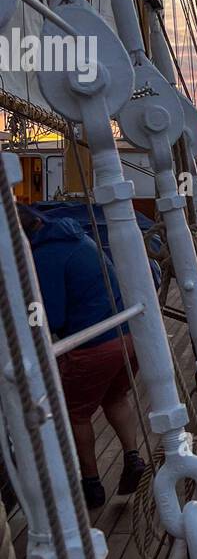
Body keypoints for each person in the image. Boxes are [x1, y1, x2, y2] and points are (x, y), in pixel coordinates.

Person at [16, 204, 146, 509]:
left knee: (75, 413)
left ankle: (91, 484)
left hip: (95, 345)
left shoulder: (46, 256)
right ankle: (132, 456)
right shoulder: (77, 237)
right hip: (126, 335)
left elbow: (54, 317)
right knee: (116, 398)